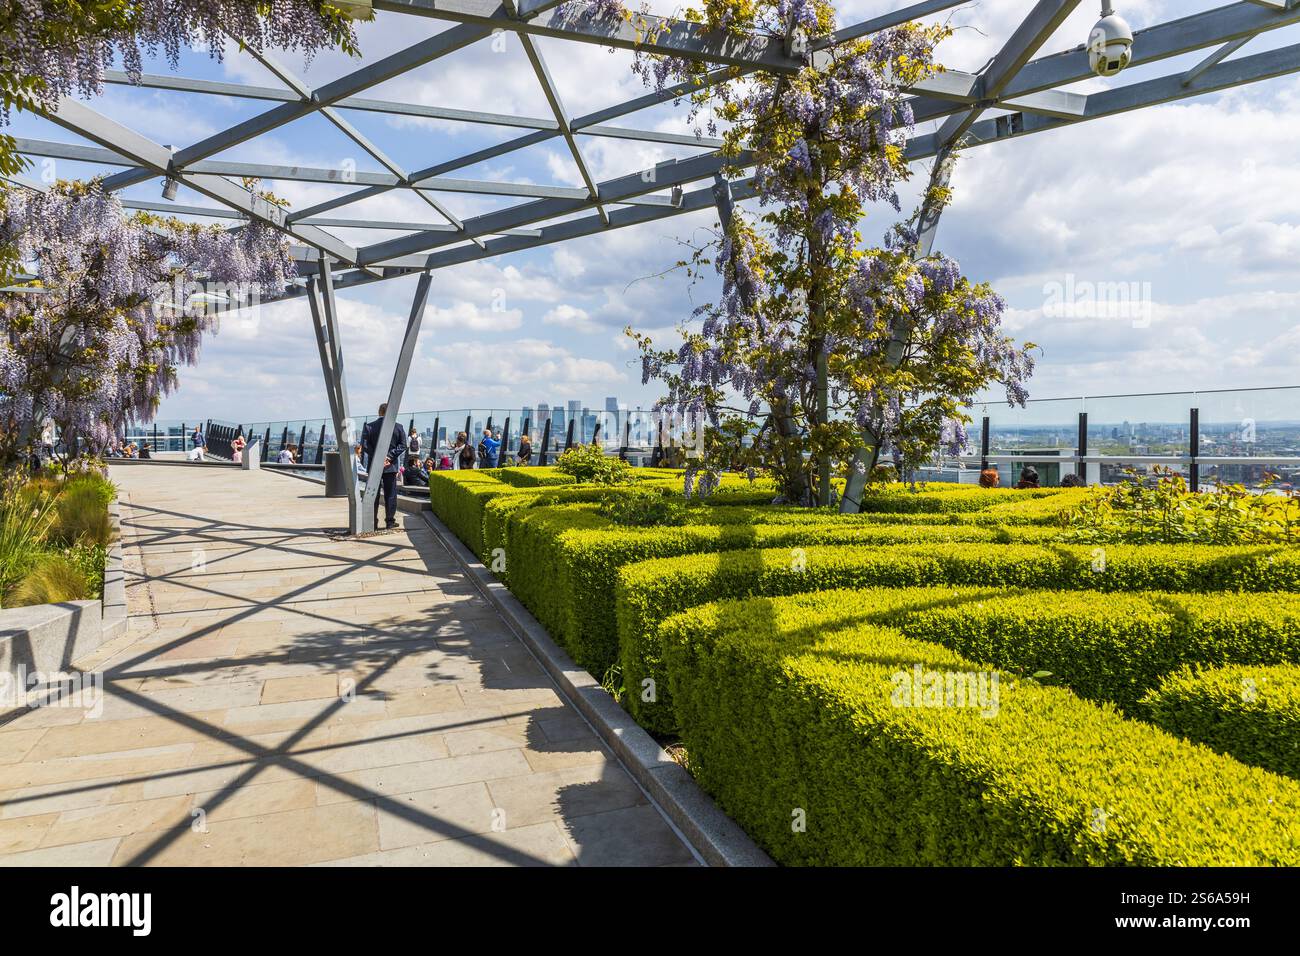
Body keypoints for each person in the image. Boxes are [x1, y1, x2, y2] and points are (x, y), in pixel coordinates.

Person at [360, 404, 406, 530]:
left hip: (374, 465)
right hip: (390, 466)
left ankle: (372, 522)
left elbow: (365, 446)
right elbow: (402, 445)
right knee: (390, 494)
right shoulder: (398, 427)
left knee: (372, 493)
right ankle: (390, 522)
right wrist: (389, 457)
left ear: (379, 411)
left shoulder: (369, 426)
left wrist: (378, 457)